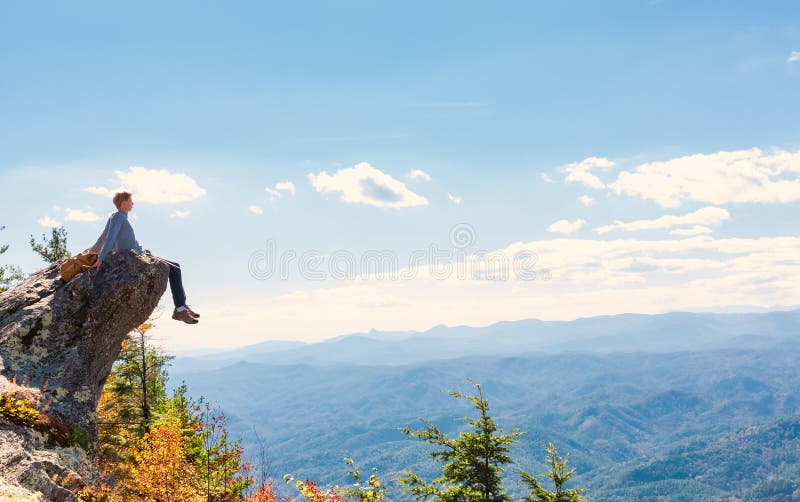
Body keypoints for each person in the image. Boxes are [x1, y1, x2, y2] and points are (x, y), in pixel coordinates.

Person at [87, 191, 200, 325]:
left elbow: (102, 238)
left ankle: (182, 306)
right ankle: (180, 310)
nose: (133, 203)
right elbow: (109, 239)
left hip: (141, 254)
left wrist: (88, 253)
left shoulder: (116, 217)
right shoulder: (118, 217)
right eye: (130, 201)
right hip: (136, 258)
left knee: (176, 266)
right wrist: (100, 258)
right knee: (174, 270)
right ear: (123, 202)